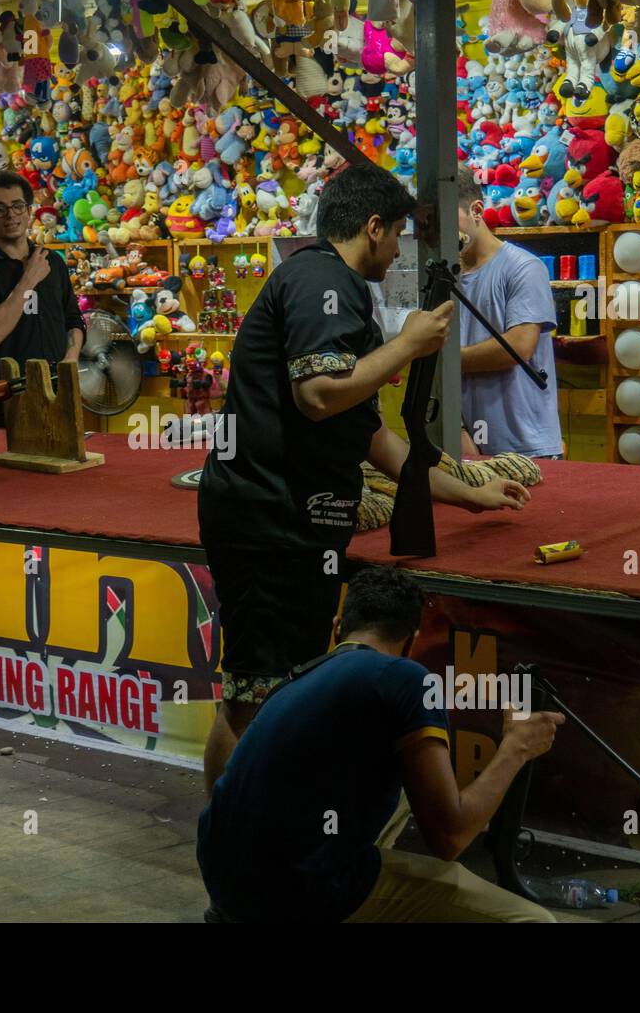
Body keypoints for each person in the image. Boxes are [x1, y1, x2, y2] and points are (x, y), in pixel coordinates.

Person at [197, 163, 531, 794]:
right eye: (398, 232)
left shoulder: (327, 283)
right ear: (373, 227)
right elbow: (320, 395)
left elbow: (372, 438)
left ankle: (255, 835)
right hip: (268, 520)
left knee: (271, 687)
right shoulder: (324, 279)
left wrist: (469, 495)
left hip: (288, 522)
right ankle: (236, 847)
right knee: (252, 696)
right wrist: (408, 345)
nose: (400, 247)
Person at [197, 565, 563, 923]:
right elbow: (449, 837)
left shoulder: (294, 682)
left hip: (225, 883)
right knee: (530, 918)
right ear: (412, 640)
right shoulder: (406, 678)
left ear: (338, 628)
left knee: (404, 791)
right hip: (299, 893)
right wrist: (516, 747)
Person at [0, 169, 85, 425]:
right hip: (4, 406)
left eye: (17, 206)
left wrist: (70, 361)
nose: (11, 215)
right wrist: (28, 279)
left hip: (57, 398)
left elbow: (73, 320)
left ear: (29, 210)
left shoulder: (53, 263)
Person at [456, 164, 564, 459]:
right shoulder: (444, 276)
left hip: (526, 447)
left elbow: (518, 347)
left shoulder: (523, 268)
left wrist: (445, 362)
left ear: (476, 210)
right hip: (467, 445)